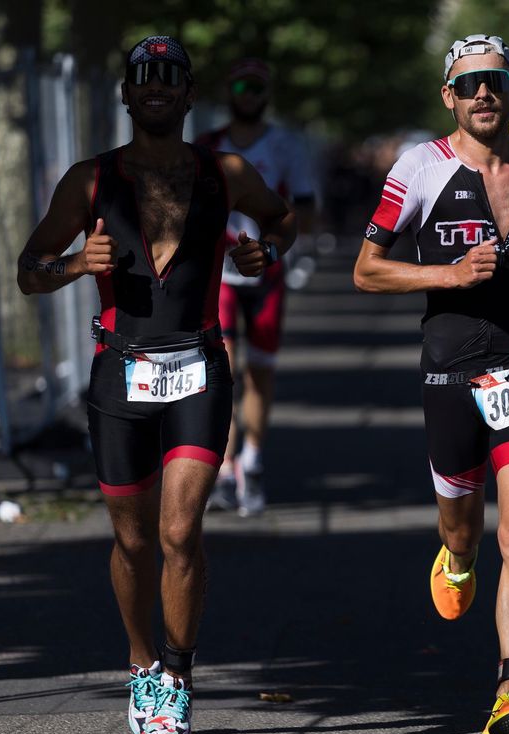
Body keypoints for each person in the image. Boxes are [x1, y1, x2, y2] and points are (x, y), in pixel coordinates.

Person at [16, 36, 296, 734]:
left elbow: (281, 218)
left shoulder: (224, 170)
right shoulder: (90, 179)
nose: (158, 88)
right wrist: (78, 262)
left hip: (199, 366)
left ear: (189, 93)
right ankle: (140, 660)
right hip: (120, 372)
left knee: (179, 532)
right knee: (133, 538)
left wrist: (268, 251)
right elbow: (29, 268)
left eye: (171, 79)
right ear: (128, 94)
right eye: (145, 79)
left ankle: (176, 672)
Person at [352, 33, 509, 734]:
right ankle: (455, 555)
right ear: (449, 97)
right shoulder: (419, 168)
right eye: (470, 83)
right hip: (449, 376)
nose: (484, 92)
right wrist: (448, 276)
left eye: (496, 81)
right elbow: (368, 269)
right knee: (465, 530)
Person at [197, 58, 317, 517]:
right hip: (220, 274)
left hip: (266, 272)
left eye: (257, 87)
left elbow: (304, 206)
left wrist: (285, 248)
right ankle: (225, 468)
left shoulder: (286, 144)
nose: (248, 94)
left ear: (266, 95)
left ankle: (253, 457)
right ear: (229, 91)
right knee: (222, 369)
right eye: (241, 85)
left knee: (260, 372)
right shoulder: (209, 145)